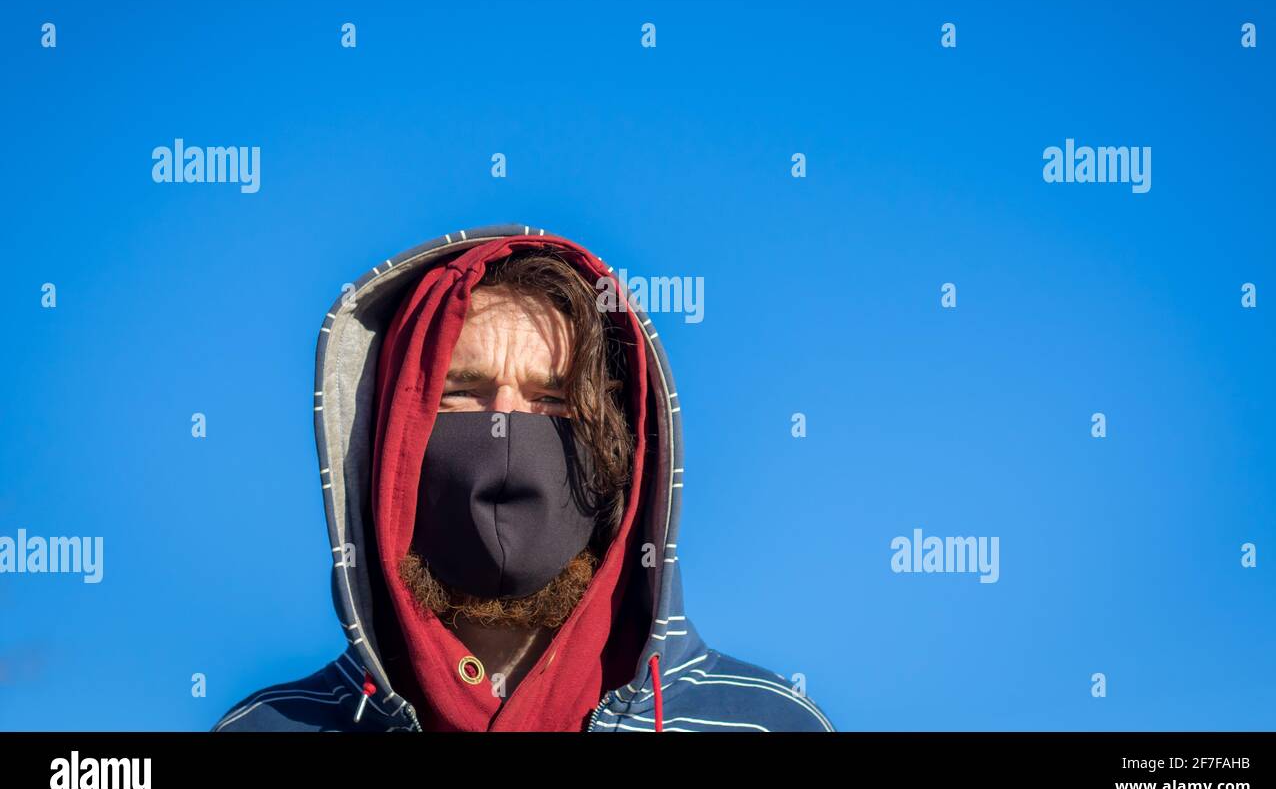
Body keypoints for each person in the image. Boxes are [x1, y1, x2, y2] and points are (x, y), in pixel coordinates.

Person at [212, 225, 834, 732]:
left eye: (554, 400)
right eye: (462, 393)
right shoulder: (275, 727)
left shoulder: (767, 723)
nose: (506, 431)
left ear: (624, 454)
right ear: (388, 444)